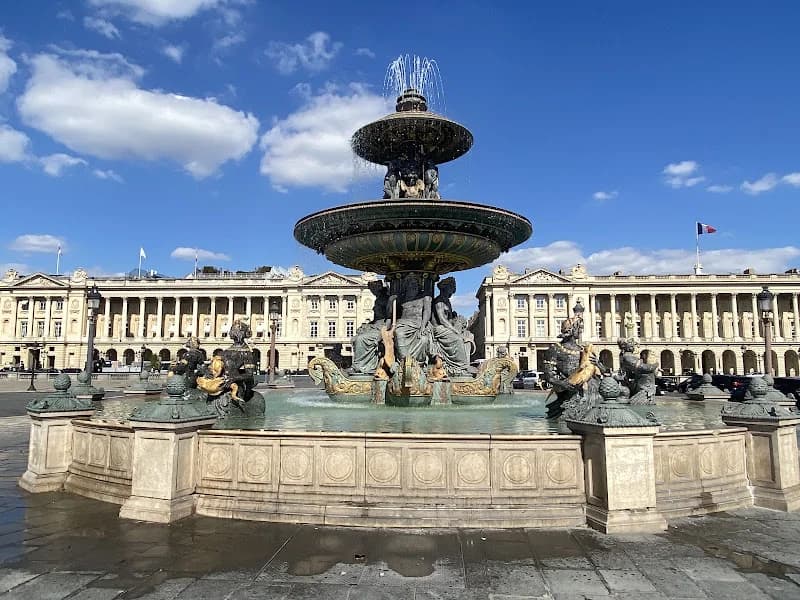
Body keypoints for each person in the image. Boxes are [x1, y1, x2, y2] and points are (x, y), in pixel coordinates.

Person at [429, 277, 470, 376]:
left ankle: (462, 365)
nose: (452, 290)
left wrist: (456, 321)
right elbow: (442, 320)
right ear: (444, 288)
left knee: (467, 337)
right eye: (451, 287)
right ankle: (460, 367)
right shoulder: (439, 301)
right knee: (458, 339)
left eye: (453, 287)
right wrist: (455, 331)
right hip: (438, 329)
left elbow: (449, 319)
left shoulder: (447, 301)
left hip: (445, 327)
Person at [352, 280, 390, 374]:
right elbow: (377, 318)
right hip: (376, 325)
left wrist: (383, 332)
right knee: (357, 337)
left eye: (374, 289)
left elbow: (390, 317)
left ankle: (362, 366)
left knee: (361, 339)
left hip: (382, 327)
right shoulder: (378, 299)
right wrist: (367, 325)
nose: (372, 291)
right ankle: (365, 365)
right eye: (371, 289)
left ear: (379, 287)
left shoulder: (385, 299)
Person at [393, 273, 431, 363]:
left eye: (416, 284)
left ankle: (417, 363)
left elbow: (427, 311)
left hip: (419, 324)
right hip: (403, 324)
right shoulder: (401, 298)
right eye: (411, 284)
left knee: (424, 339)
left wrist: (423, 326)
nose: (414, 286)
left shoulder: (424, 298)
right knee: (399, 333)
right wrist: (391, 300)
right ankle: (404, 361)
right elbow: (391, 313)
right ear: (406, 286)